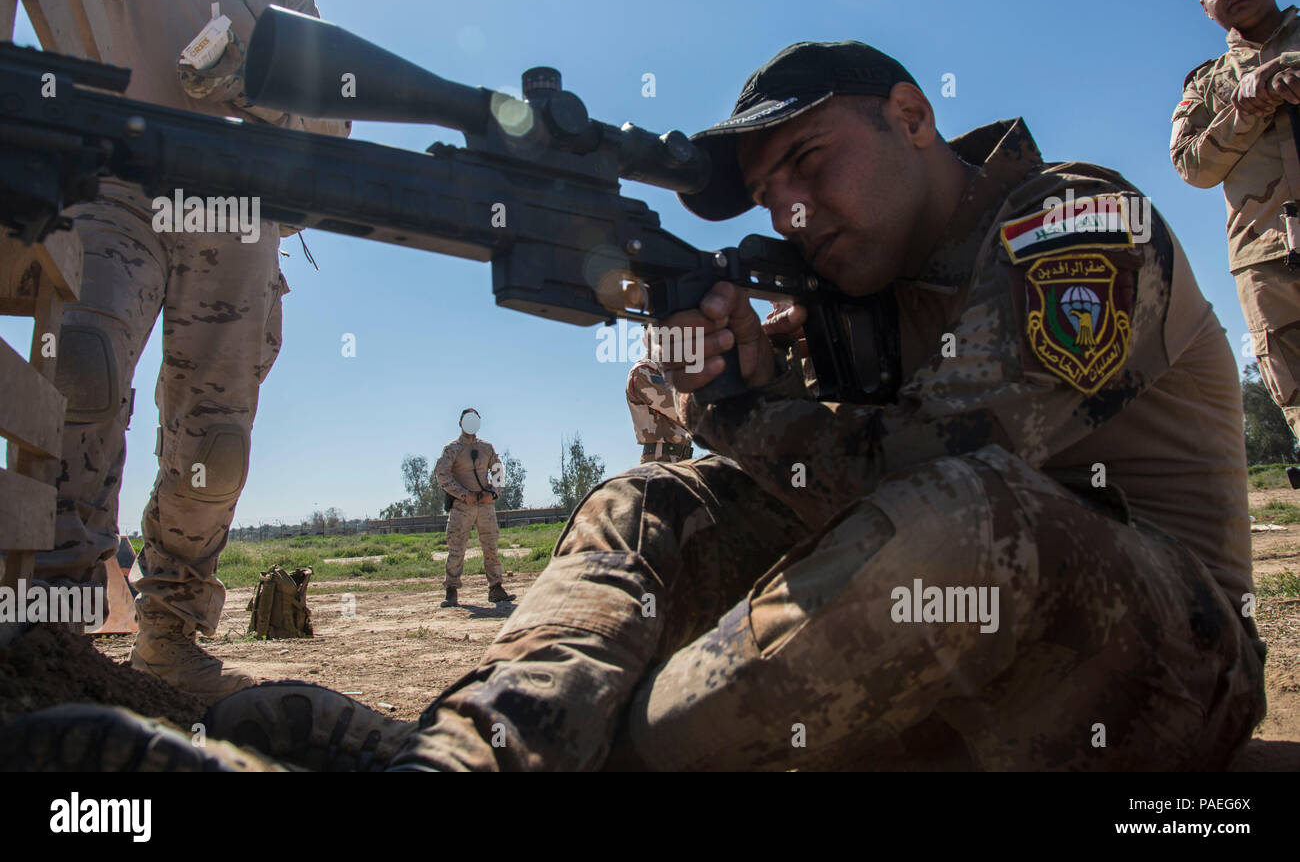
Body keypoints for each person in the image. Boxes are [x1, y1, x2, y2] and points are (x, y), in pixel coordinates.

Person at [4, 40, 1269, 772]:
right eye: (766, 191)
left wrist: (749, 409)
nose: (790, 211)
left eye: (809, 163)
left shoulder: (1070, 217)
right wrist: (694, 388)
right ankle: (481, 751)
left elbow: (951, 460)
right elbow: (752, 482)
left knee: (966, 513)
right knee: (651, 498)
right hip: (955, 675)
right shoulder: (840, 298)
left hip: (1168, 667)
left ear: (912, 114)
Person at [35, 0, 350, 702]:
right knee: (81, 375)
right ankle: (49, 630)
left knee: (218, 444)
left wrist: (251, 89)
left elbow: (332, 131)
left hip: (235, 209)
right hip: (111, 179)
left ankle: (170, 639)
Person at [1171, 0, 1300, 480]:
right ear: (1205, 8)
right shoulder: (1206, 84)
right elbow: (1192, 167)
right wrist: (1248, 106)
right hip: (1267, 257)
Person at [434, 409, 515, 607]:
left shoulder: (487, 448)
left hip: (485, 505)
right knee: (457, 547)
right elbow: (442, 474)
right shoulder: (452, 449)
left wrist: (494, 492)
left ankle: (496, 587)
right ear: (460, 423)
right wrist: (463, 494)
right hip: (462, 506)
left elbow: (498, 471)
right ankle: (451, 590)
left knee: (491, 547)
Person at [626, 329, 693, 463]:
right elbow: (682, 411)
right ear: (646, 341)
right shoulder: (643, 371)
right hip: (660, 460)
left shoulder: (672, 374)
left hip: (682, 460)